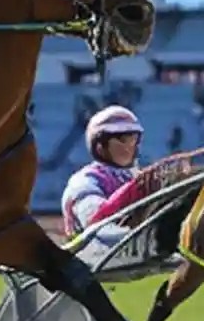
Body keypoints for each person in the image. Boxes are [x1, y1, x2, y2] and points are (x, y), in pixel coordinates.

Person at [61, 105, 151, 260]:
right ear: (100, 145)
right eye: (124, 140)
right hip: (92, 261)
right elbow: (99, 229)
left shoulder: (138, 176)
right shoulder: (85, 181)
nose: (132, 146)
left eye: (134, 139)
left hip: (134, 255)